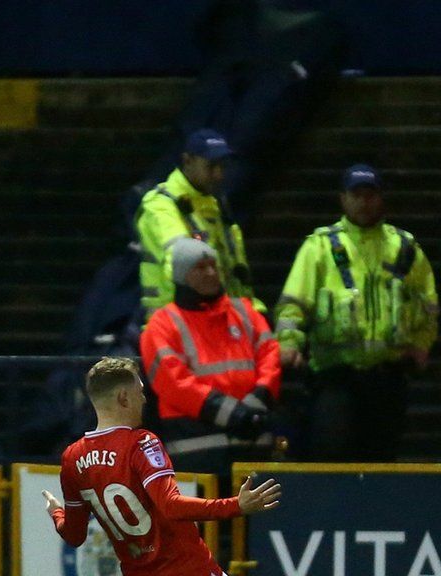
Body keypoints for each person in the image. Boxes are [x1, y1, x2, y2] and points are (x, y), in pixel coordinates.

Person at [42, 357, 282, 576]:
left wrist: (56, 512)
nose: (144, 399)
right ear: (124, 397)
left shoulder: (72, 458)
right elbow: (170, 505)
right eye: (140, 392)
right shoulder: (141, 443)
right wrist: (235, 505)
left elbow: (74, 536)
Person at [275, 163, 438, 461]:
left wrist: (421, 345)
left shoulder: (404, 248)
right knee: (332, 459)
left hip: (388, 378)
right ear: (343, 198)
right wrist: (288, 342)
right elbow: (293, 304)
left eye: (370, 194)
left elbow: (428, 306)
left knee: (382, 461)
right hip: (335, 378)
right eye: (356, 194)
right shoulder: (320, 247)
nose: (364, 201)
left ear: (381, 198)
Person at [140, 238, 280, 477]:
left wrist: (256, 401)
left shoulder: (244, 311)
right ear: (183, 274)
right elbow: (173, 382)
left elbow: (270, 354)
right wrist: (234, 413)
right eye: (201, 267)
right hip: (198, 451)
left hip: (251, 442)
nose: (211, 273)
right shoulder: (162, 324)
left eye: (214, 265)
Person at [135, 129, 263, 320]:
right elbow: (180, 263)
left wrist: (254, 314)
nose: (219, 174)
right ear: (187, 161)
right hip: (176, 325)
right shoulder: (161, 206)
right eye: (211, 166)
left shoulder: (214, 206)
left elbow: (236, 276)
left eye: (223, 166)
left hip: (221, 322)